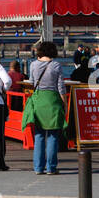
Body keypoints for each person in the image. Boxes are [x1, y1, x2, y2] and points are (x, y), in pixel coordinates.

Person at [23, 41, 67, 175]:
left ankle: (38, 167)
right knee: (53, 136)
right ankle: (51, 167)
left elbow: (31, 82)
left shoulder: (34, 65)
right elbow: (61, 87)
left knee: (39, 135)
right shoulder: (56, 65)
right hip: (53, 100)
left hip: (38, 100)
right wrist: (64, 103)